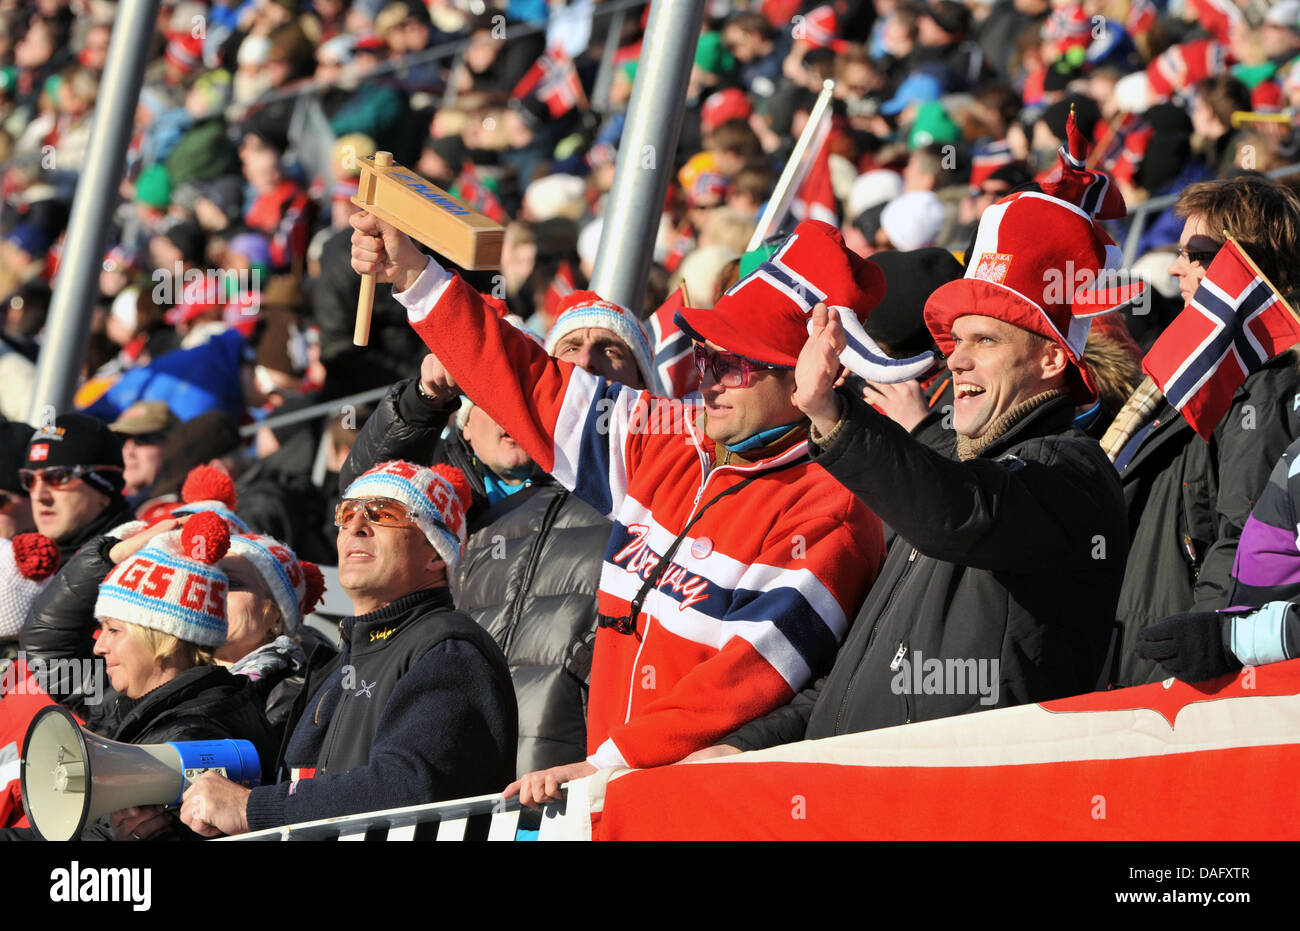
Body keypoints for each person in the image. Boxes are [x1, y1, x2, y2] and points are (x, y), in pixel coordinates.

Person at [349, 211, 885, 806]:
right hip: (604, 795)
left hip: (696, 807)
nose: (708, 380)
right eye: (706, 357)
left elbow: (747, 675)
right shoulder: (669, 433)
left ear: (805, 377)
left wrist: (611, 764)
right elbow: (529, 382)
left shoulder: (833, 506)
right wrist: (417, 279)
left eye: (735, 363)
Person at [703, 189, 1130, 756]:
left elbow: (960, 514)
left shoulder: (1070, 470)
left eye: (986, 340)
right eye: (956, 340)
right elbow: (854, 677)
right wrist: (744, 746)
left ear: (1052, 358)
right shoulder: (946, 472)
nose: (955, 358)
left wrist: (833, 413)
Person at [341, 294, 660, 775]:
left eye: (613, 352)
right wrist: (424, 400)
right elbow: (366, 491)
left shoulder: (641, 494)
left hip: (557, 770)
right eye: (569, 348)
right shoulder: (447, 495)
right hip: (440, 763)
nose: (589, 361)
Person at [178, 461, 517, 836]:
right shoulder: (338, 666)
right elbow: (306, 789)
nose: (356, 525)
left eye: (384, 513)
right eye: (347, 512)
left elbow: (408, 787)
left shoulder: (448, 649)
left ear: (436, 553)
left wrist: (252, 808)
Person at [1107, 176, 1300, 686]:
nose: (1177, 268)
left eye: (1198, 254)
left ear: (1249, 267)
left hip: (1185, 673)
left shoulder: (1268, 388)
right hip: (1147, 643)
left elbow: (1247, 547)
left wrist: (1204, 646)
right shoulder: (1196, 377)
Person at [1, 513, 279, 841]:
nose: (100, 646)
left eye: (114, 630)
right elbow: (47, 642)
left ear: (165, 639)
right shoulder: (132, 704)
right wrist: (110, 556)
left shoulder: (191, 738)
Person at [20, 414, 134, 562]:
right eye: (29, 479)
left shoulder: (138, 563)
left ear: (104, 490)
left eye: (57, 477)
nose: (39, 496)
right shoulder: (15, 561)